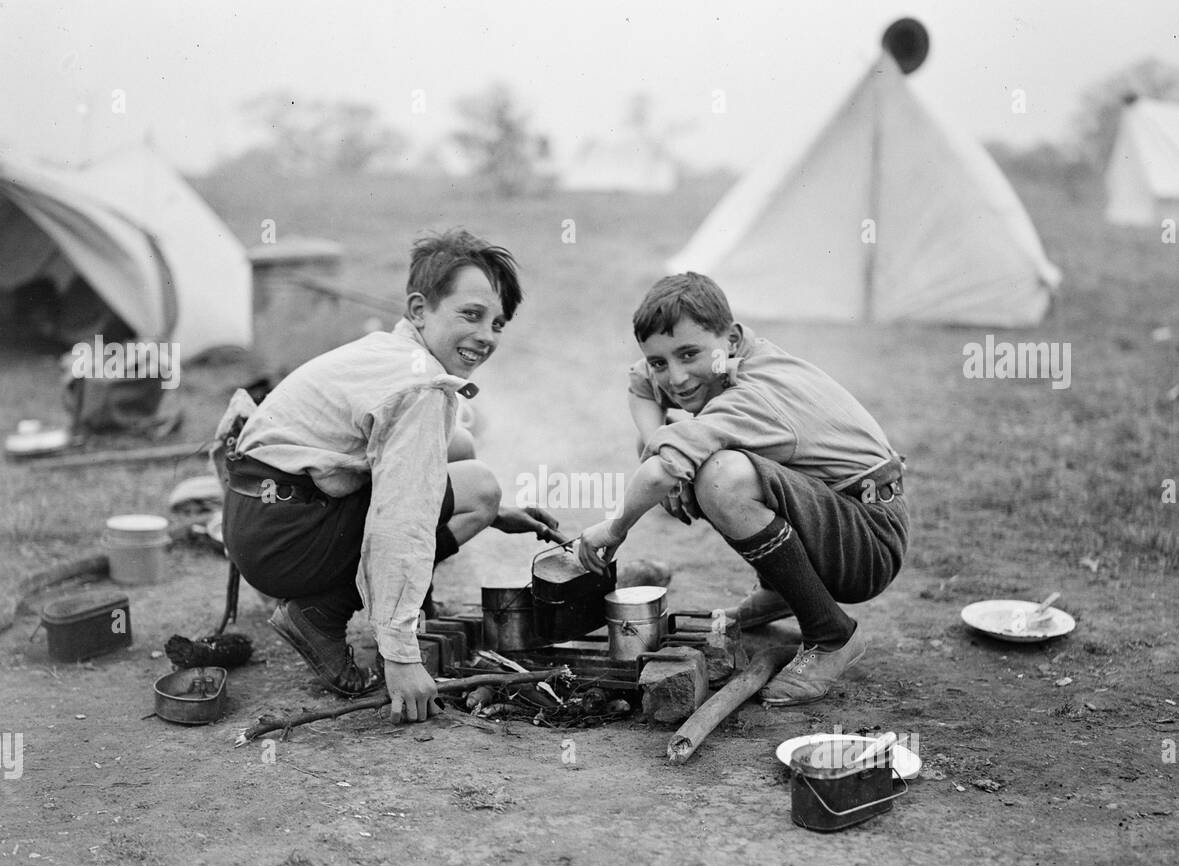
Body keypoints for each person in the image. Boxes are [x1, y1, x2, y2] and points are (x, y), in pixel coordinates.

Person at [221, 229, 558, 721]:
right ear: (419, 309)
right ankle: (320, 613)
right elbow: (402, 517)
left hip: (258, 518)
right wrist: (401, 654)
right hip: (281, 537)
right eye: (471, 314)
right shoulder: (419, 385)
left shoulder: (390, 352)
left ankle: (324, 596)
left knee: (459, 446)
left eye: (498, 323)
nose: (487, 335)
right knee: (479, 486)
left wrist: (495, 515)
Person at [576, 272, 909, 706]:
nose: (675, 378)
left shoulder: (751, 397)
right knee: (703, 461)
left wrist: (614, 529)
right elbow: (641, 382)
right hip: (843, 511)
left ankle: (831, 635)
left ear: (730, 339)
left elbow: (659, 476)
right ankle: (779, 591)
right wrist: (656, 441)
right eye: (662, 361)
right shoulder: (726, 357)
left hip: (870, 540)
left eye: (688, 354)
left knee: (719, 476)